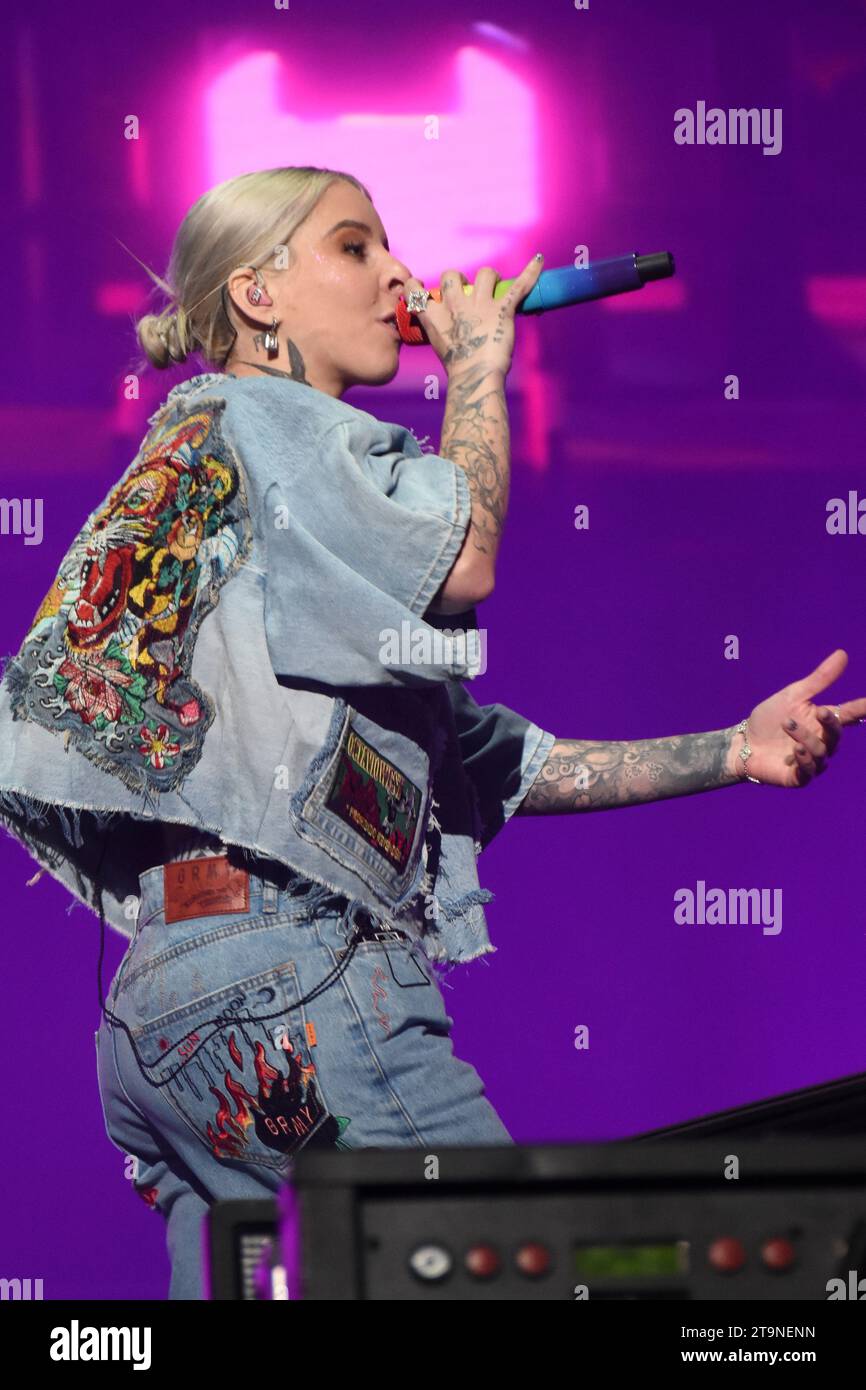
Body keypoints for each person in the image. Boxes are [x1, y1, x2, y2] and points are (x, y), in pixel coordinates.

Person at [0, 166, 862, 1301]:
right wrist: (479, 368)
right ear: (256, 295)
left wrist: (730, 749)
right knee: (511, 1283)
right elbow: (461, 562)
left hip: (164, 1008)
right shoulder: (270, 422)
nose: (400, 274)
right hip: (288, 981)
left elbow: (496, 759)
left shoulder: (264, 509)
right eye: (355, 248)